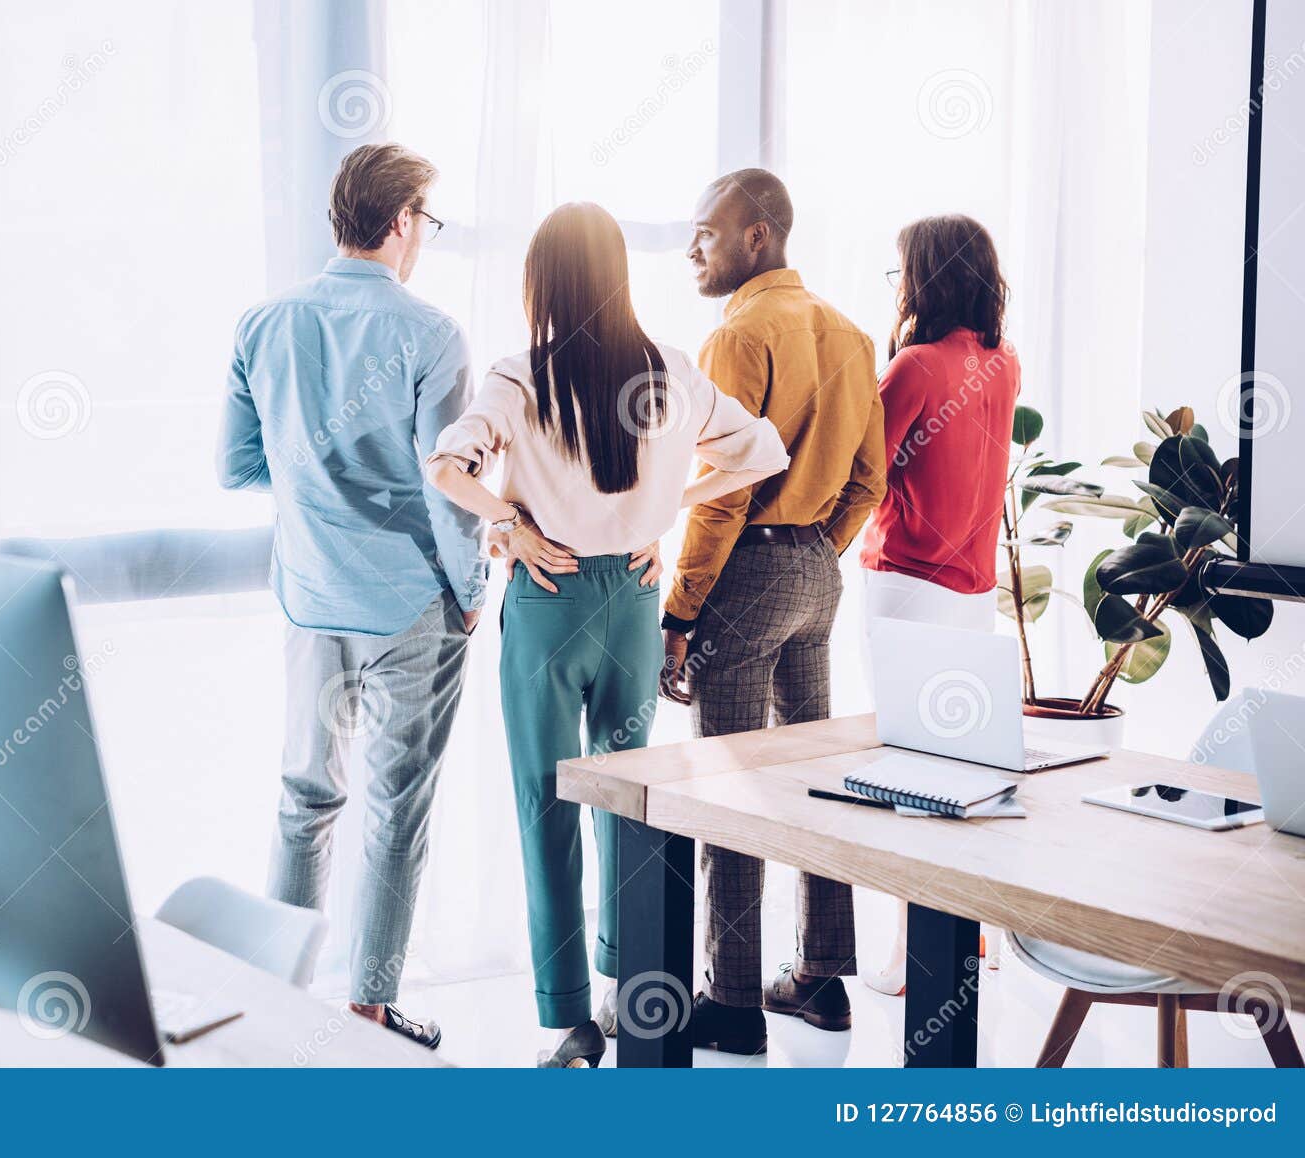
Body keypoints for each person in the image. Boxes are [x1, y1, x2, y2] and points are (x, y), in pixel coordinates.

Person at [426, 202, 789, 1067]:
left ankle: (569, 1019)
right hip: (632, 598)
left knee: (543, 805)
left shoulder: (519, 378)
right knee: (627, 806)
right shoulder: (669, 369)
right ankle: (634, 995)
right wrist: (664, 510)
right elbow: (762, 452)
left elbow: (445, 467)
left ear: (543, 284)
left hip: (548, 605)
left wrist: (510, 520)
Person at [217, 142, 486, 1049]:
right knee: (394, 803)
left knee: (304, 795)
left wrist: (317, 490)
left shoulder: (263, 323)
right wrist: (472, 586)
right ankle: (369, 1007)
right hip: (410, 604)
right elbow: (449, 487)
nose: (425, 241)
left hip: (307, 597)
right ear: (403, 220)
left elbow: (237, 466)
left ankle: (276, 1000)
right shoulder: (431, 332)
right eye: (428, 223)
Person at [658, 169, 885, 1053]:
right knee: (808, 779)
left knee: (731, 787)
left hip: (747, 572)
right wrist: (814, 549)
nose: (693, 248)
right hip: (818, 575)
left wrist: (680, 613)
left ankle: (735, 999)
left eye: (707, 232)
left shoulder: (741, 333)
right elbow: (867, 479)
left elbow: (721, 491)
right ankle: (823, 982)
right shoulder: (851, 334)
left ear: (759, 236)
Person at [858, 213, 1020, 996]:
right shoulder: (1004, 363)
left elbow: (865, 475)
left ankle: (909, 955)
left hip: (907, 583)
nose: (897, 288)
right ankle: (970, 935)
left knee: (908, 771)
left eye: (900, 272)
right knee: (958, 765)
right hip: (975, 591)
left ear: (924, 277)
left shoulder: (915, 367)